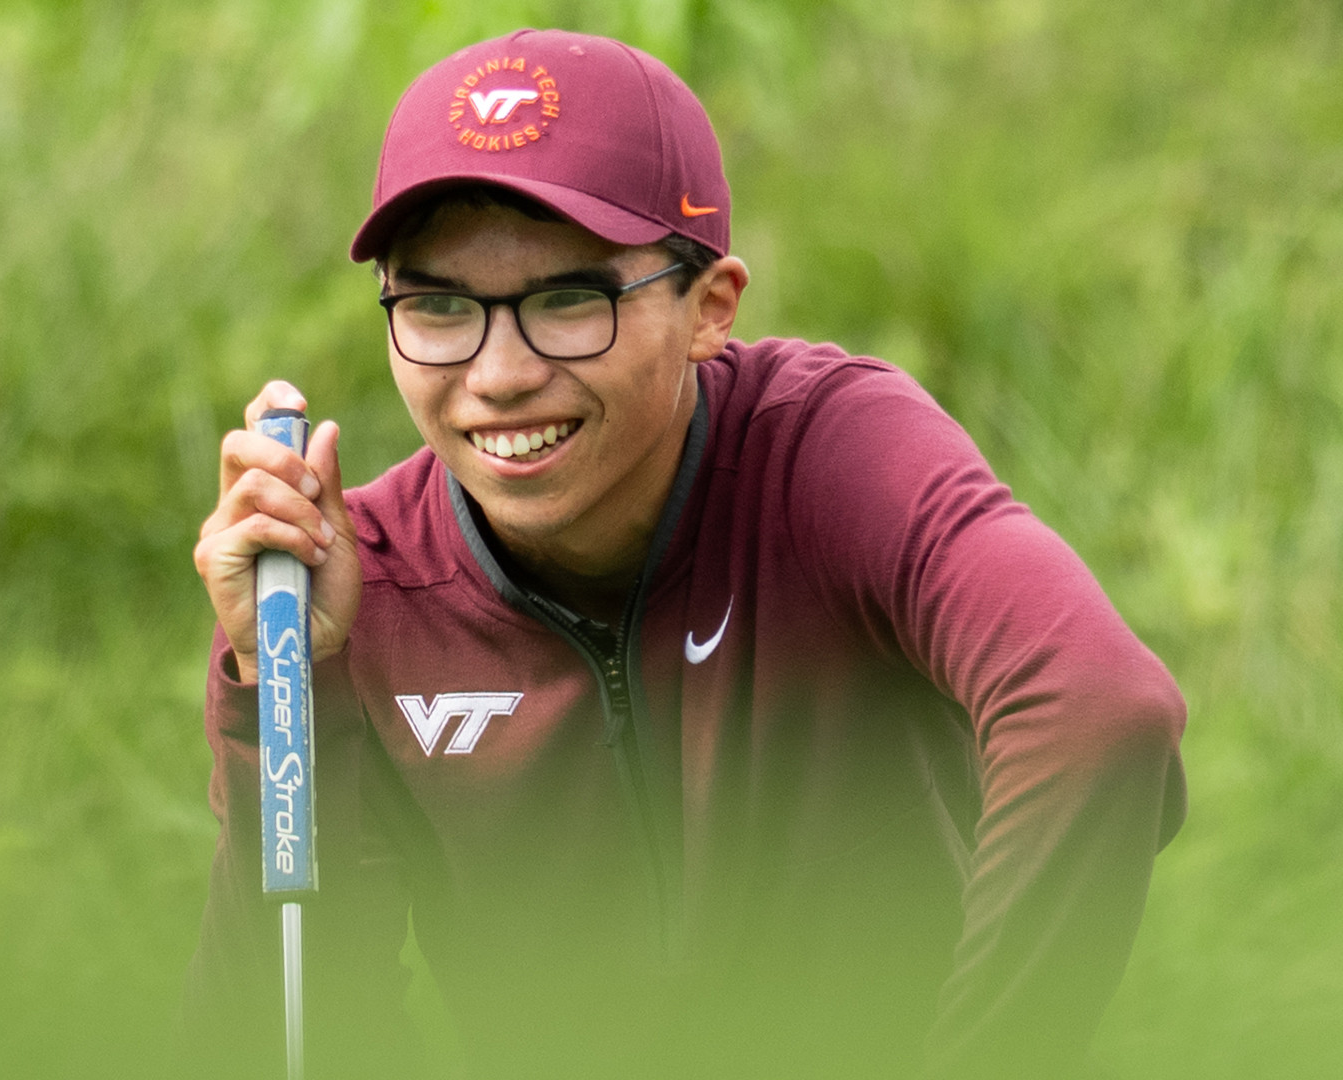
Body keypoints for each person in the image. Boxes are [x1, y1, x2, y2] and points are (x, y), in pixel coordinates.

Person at [186, 28, 1186, 1080]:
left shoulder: (827, 454)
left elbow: (1096, 709)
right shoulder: (357, 589)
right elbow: (285, 1043)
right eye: (439, 308)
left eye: (569, 300)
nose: (498, 375)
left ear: (710, 309)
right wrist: (283, 688)